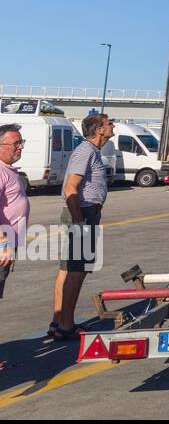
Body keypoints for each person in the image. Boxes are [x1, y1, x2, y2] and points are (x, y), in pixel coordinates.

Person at [51, 113, 114, 340]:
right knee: (76, 271)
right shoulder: (86, 151)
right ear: (98, 129)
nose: (112, 125)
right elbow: (70, 188)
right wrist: (79, 220)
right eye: (109, 123)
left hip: (84, 213)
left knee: (69, 269)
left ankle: (58, 321)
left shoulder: (91, 151)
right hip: (82, 213)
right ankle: (65, 325)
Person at [0, 124, 30, 299]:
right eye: (16, 143)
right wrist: (3, 243)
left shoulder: (8, 170)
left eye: (21, 142)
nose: (21, 147)